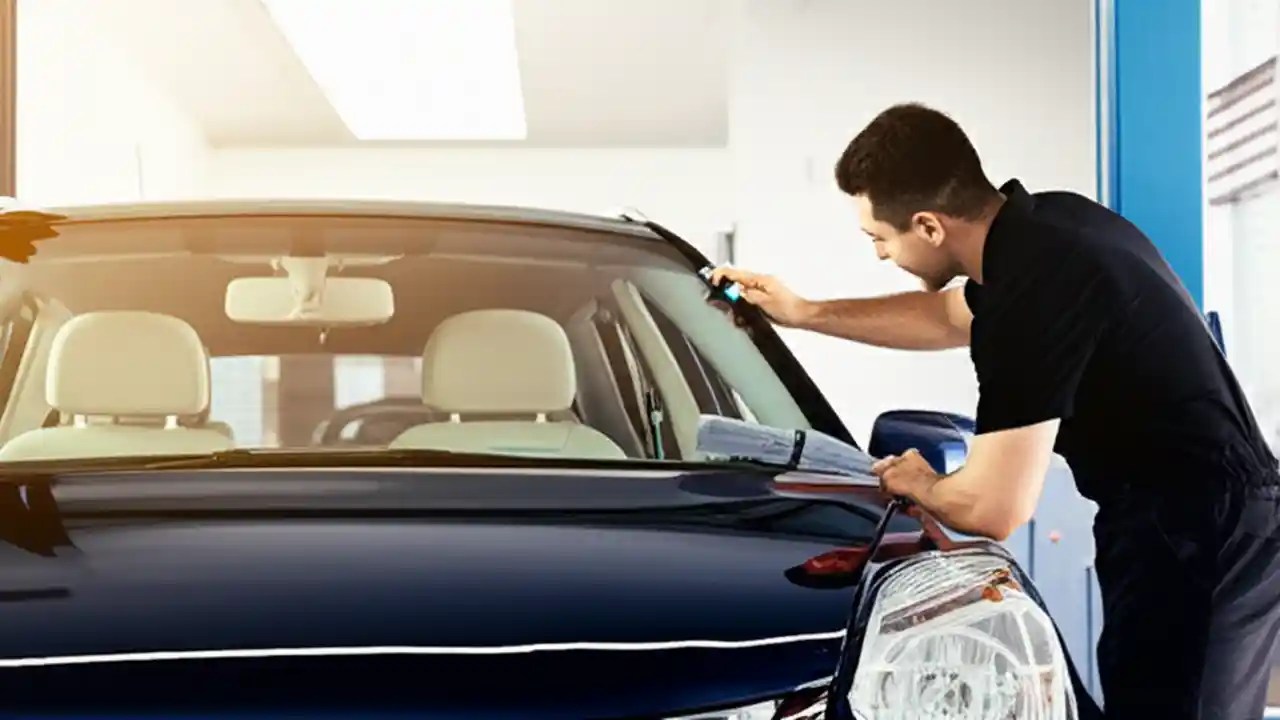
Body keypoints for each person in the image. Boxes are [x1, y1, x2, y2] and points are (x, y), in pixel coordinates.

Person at [712, 103, 1280, 719]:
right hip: (1199, 517)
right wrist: (806, 312)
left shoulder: (1034, 294)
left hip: (1200, 529)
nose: (880, 255)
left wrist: (920, 482)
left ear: (928, 226)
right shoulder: (1052, 230)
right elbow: (947, 317)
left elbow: (994, 508)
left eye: (880, 238)